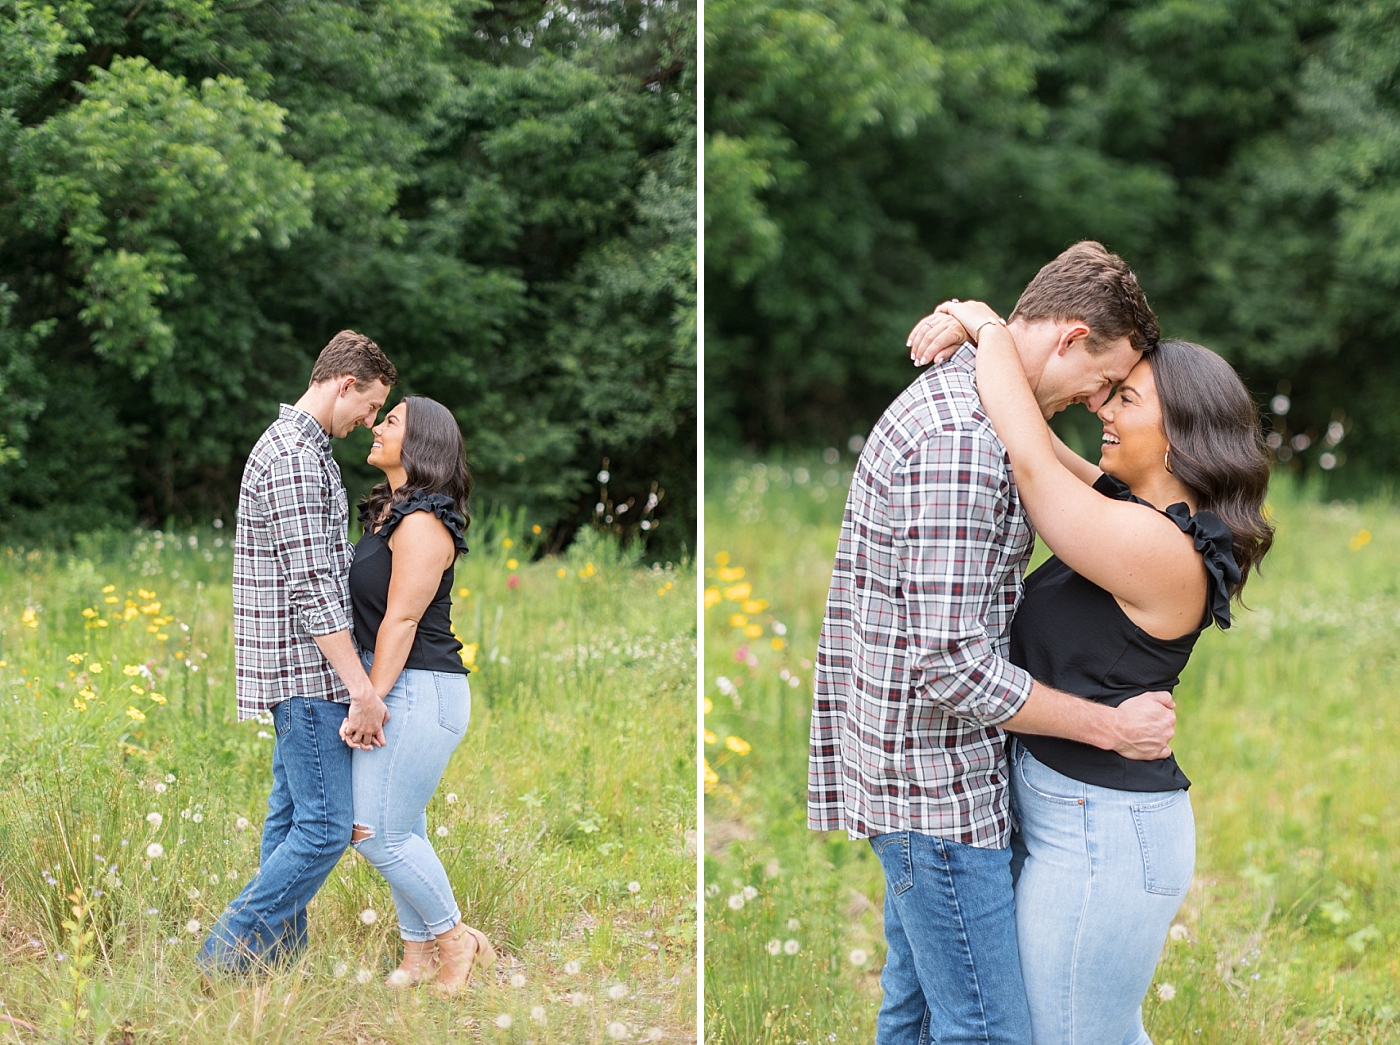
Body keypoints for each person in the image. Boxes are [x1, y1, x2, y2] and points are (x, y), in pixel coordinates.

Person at [808, 242, 1178, 1045]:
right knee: (986, 1029)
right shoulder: (963, 443)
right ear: (1072, 336)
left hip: (933, 774)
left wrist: (981, 326)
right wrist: (1109, 726)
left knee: (913, 1010)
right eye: (1105, 379)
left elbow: (1088, 485)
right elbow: (950, 664)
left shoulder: (990, 418)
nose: (1098, 401)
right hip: (935, 789)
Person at [907, 301, 1272, 1044]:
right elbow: (1036, 432)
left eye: (1126, 398)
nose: (1102, 408)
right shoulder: (1132, 511)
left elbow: (1030, 459)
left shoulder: (1161, 549)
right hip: (1073, 817)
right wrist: (989, 329)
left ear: (1181, 436)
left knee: (1075, 1035)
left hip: (1103, 834)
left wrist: (988, 327)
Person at [201, 331, 396, 973]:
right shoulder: (292, 456)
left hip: (302, 667)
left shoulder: (305, 451)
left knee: (289, 824)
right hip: (308, 670)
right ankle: (220, 958)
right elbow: (313, 588)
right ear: (345, 385)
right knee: (323, 830)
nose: (369, 421)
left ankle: (275, 967)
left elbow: (325, 567)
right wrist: (360, 687)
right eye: (369, 407)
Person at [342, 395, 494, 993]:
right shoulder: (392, 515)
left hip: (420, 688)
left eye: (392, 420)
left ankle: (457, 943)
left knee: (376, 831)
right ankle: (417, 954)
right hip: (399, 684)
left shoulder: (426, 523)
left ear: (422, 443)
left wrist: (369, 698)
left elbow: (401, 621)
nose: (376, 428)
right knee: (402, 827)